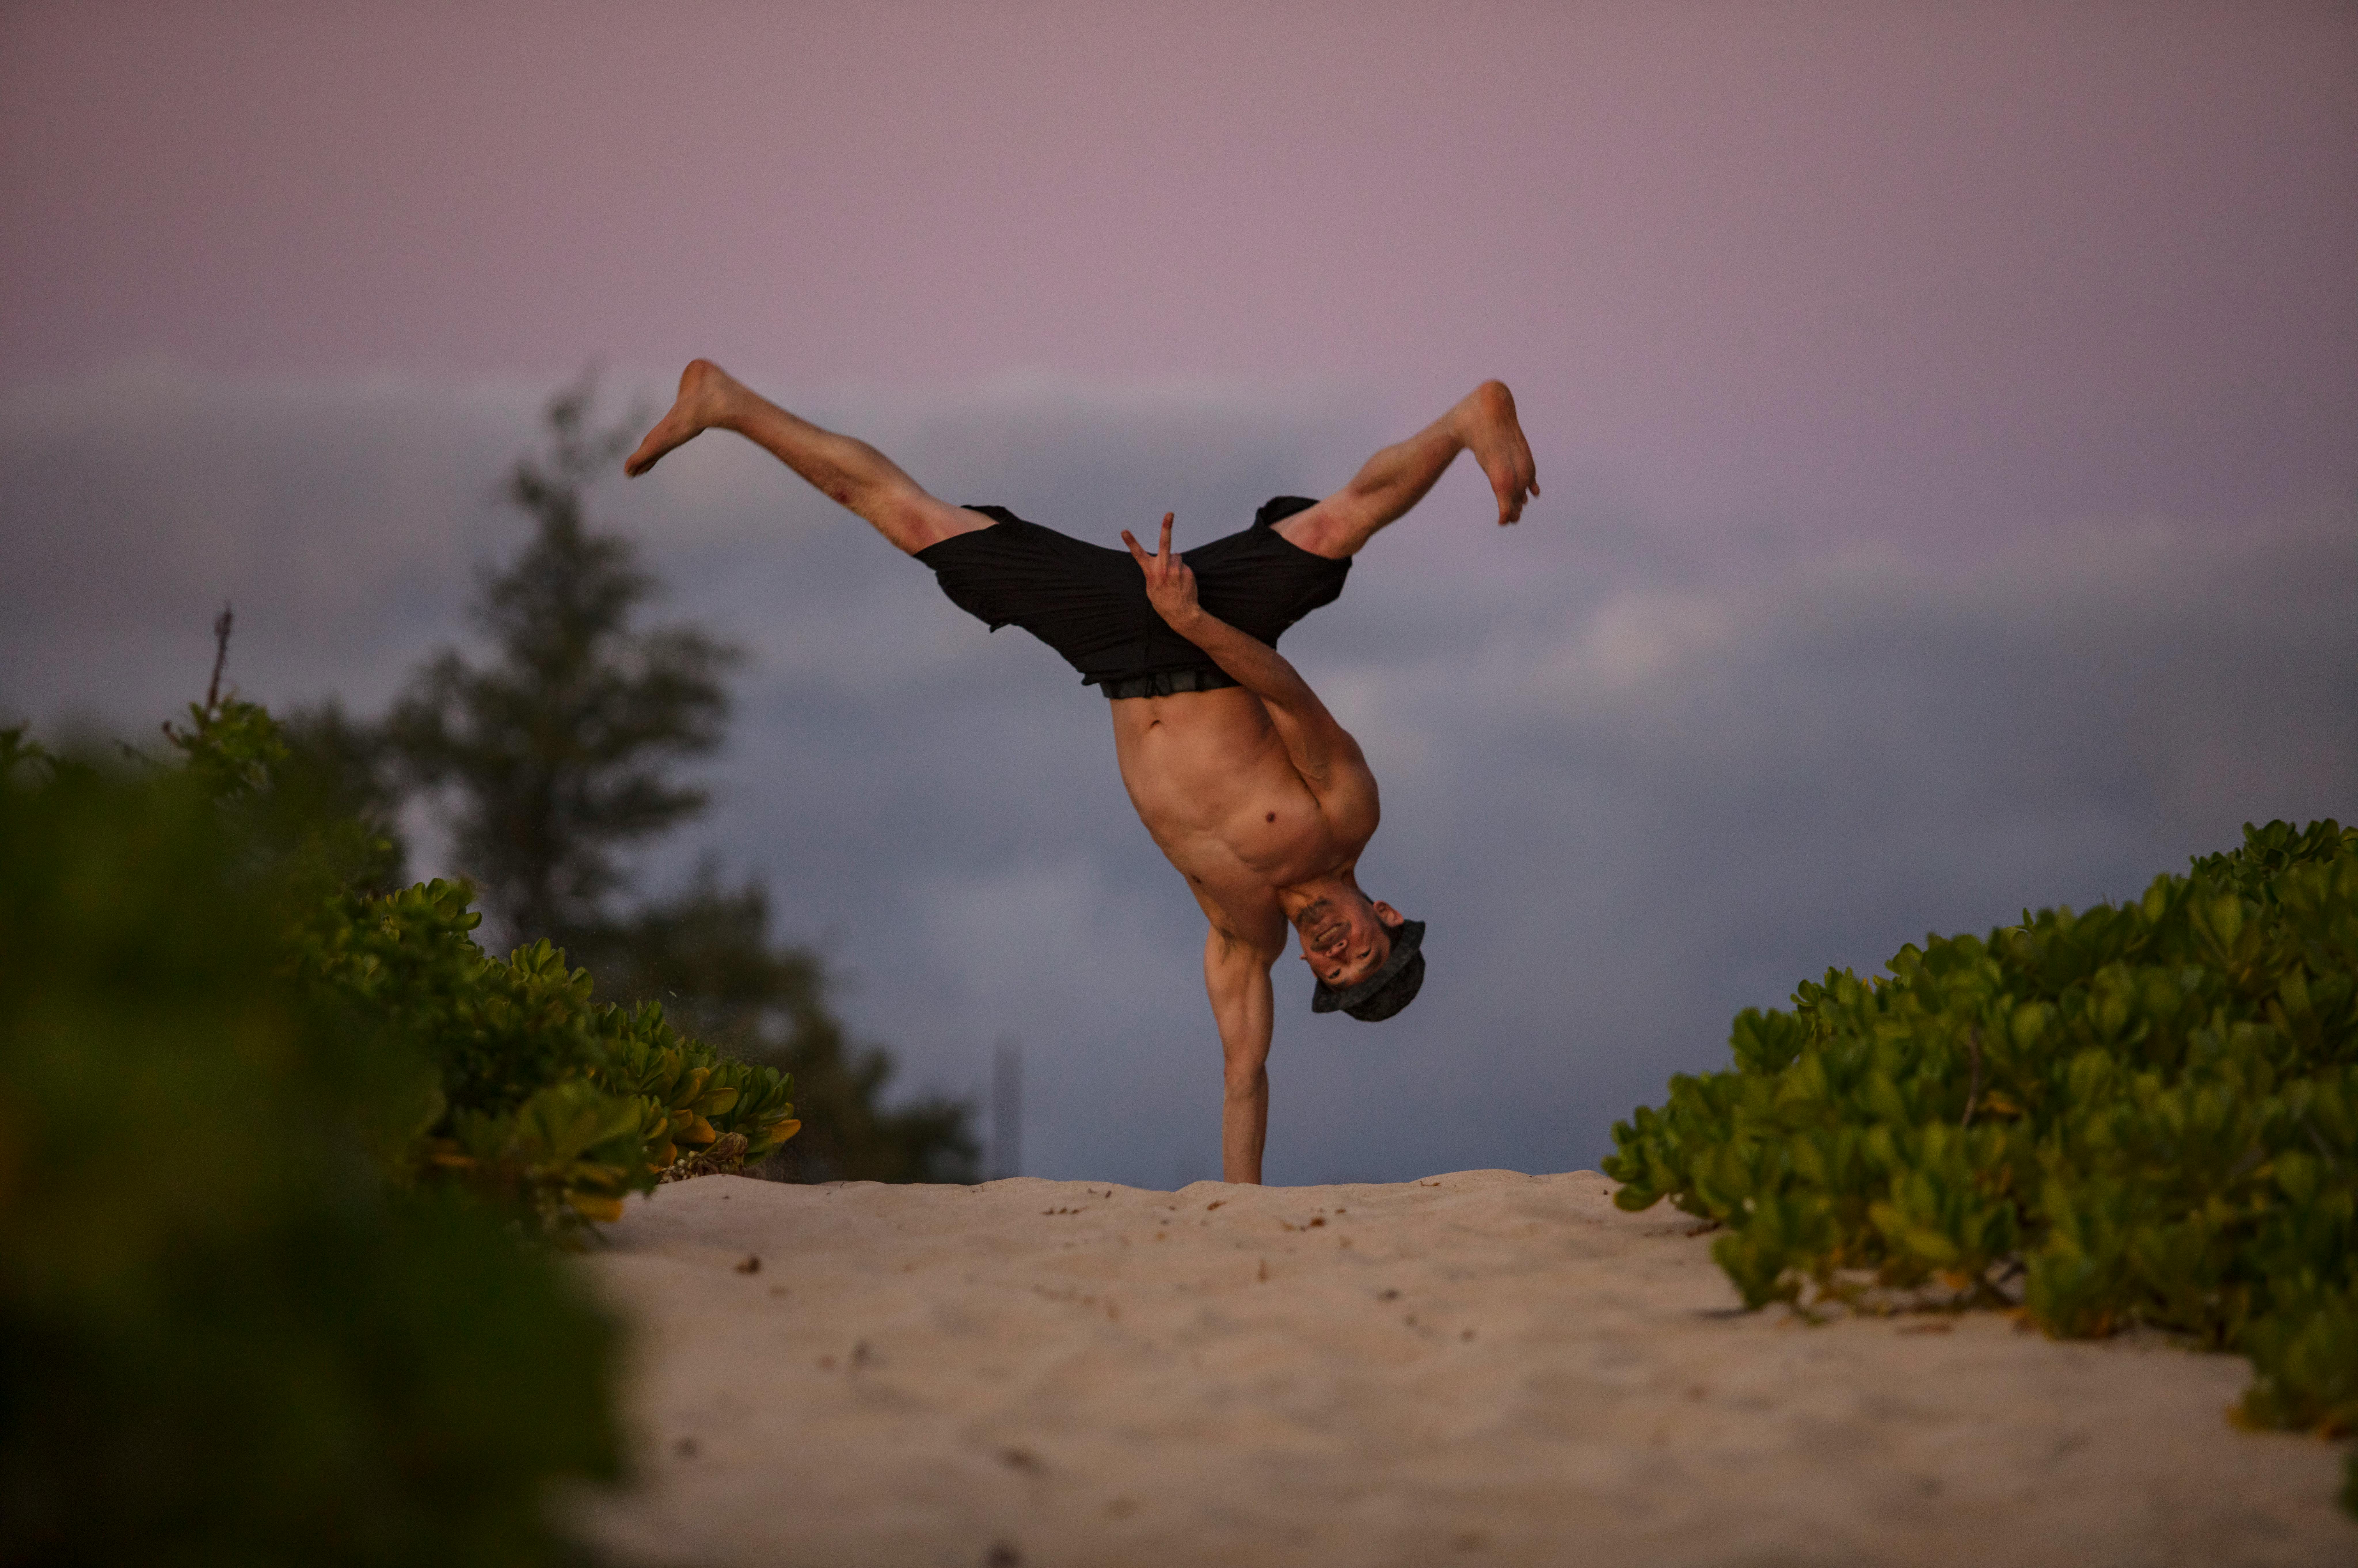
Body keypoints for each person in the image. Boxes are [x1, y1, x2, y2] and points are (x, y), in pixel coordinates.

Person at [625, 362, 1538, 1183]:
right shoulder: (1346, 820)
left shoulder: (1239, 933)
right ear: (1383, 914)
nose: (1339, 959)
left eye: (1336, 979)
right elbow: (1293, 696)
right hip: (1217, 633)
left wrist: (1242, 1214)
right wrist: (1191, 620)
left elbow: (1244, 1077)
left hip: (1113, 649)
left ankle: (727, 404)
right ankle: (1469, 419)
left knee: (915, 523)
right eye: (1364, 954)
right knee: (1340, 523)